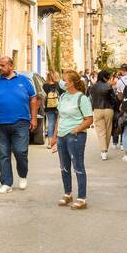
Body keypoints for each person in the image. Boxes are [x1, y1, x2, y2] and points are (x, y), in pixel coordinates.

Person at [0, 55, 39, 194]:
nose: (0, 68)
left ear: (11, 66)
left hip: (21, 122)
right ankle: (6, 183)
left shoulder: (23, 81)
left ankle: (23, 174)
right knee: (2, 154)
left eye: (3, 65)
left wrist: (34, 118)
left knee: (20, 151)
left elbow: (33, 99)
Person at [55, 70, 94, 210]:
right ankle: (68, 193)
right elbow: (60, 116)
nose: (62, 82)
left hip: (75, 136)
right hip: (62, 135)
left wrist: (76, 130)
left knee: (78, 166)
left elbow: (89, 119)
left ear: (71, 83)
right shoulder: (63, 96)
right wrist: (55, 136)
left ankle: (82, 198)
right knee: (64, 167)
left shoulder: (81, 98)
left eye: (64, 80)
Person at [89, 69, 116, 160]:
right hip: (108, 109)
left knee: (101, 131)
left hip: (97, 109)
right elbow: (113, 99)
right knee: (108, 130)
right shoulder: (109, 87)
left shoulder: (93, 87)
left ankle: (103, 151)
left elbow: (90, 98)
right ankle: (105, 150)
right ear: (105, 77)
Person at [41, 69, 62, 153]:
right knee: (58, 124)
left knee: (51, 124)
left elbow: (42, 96)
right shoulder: (59, 85)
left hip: (48, 108)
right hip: (58, 107)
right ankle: (57, 142)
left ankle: (50, 143)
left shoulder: (44, 86)